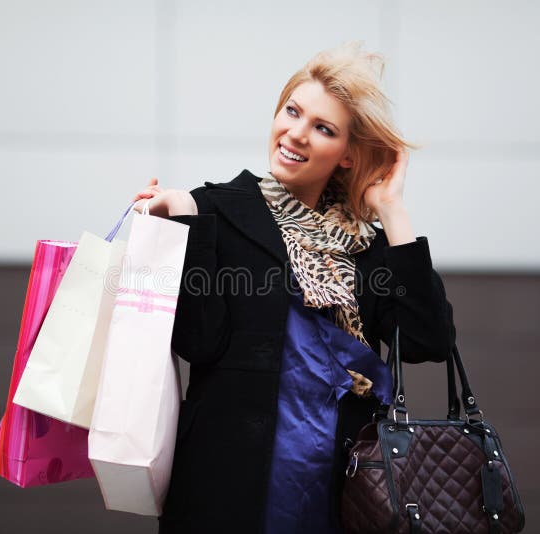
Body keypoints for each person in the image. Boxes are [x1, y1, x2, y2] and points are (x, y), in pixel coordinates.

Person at [131, 42, 456, 534]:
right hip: (225, 491)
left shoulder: (366, 246)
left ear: (347, 155)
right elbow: (199, 344)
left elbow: (429, 342)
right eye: (293, 111)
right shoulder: (215, 211)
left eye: (322, 128)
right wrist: (185, 225)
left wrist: (393, 213)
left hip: (337, 494)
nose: (296, 134)